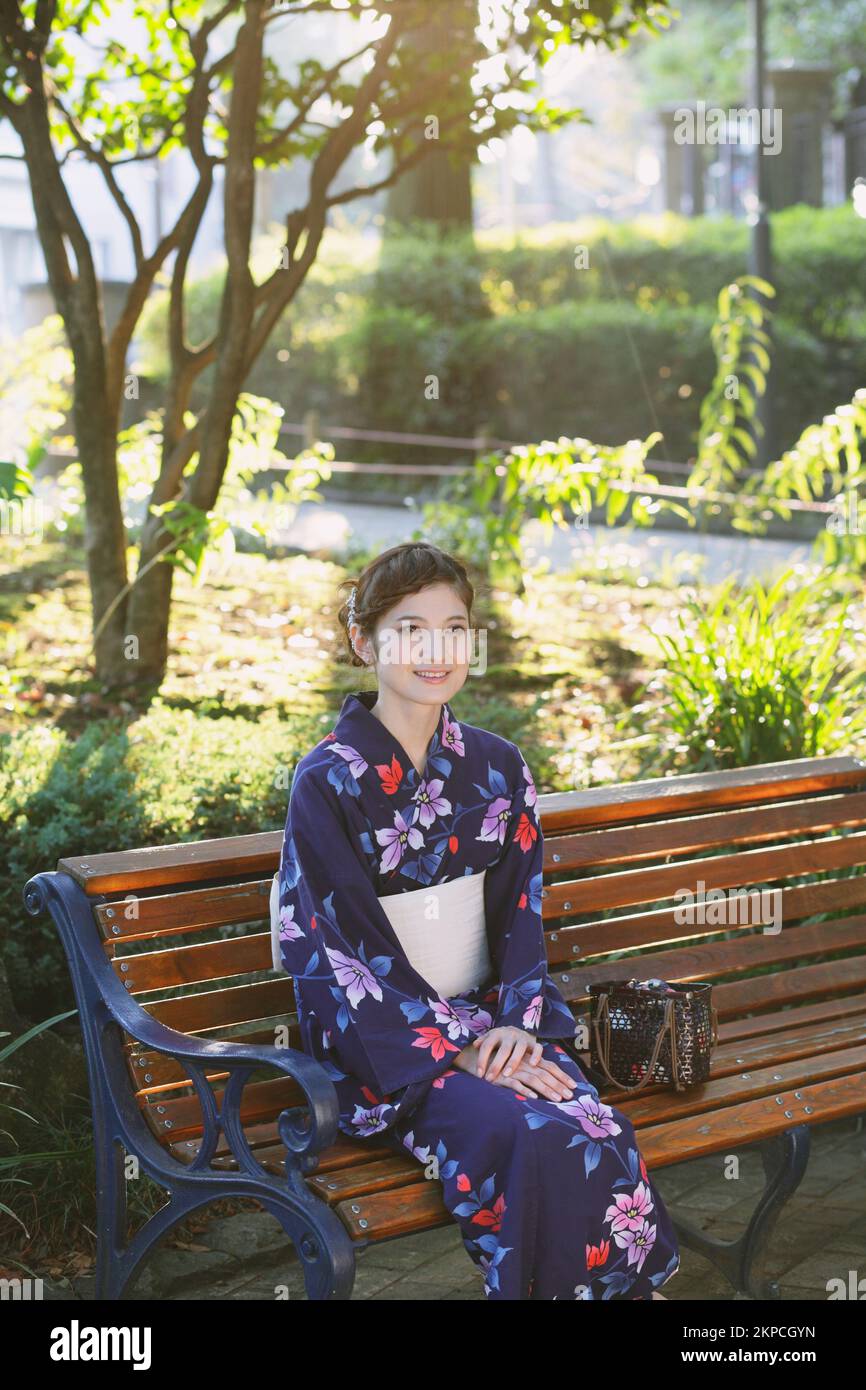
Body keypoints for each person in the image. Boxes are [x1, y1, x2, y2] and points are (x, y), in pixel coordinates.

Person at [272, 540, 680, 1301]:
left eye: (456, 628)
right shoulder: (327, 780)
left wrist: (519, 1025)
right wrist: (451, 1045)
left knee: (596, 1128)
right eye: (412, 628)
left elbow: (522, 911)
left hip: (494, 1029)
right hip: (389, 1048)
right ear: (365, 641)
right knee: (528, 1133)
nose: (438, 649)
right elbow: (341, 947)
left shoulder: (497, 766)